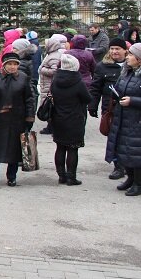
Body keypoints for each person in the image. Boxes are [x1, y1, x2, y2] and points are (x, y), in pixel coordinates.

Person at [0, 52, 36, 188]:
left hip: (17, 120)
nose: (12, 67)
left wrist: (29, 117)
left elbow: (29, 99)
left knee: (14, 151)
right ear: (4, 65)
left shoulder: (23, 78)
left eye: (15, 64)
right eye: (9, 64)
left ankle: (12, 177)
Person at [48, 54, 91, 185]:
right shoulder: (78, 83)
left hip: (58, 118)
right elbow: (88, 99)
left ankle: (61, 176)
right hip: (74, 119)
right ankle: (71, 177)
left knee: (60, 147)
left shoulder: (55, 80)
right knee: (72, 148)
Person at [106, 43, 141, 195]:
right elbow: (121, 88)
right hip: (122, 117)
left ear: (139, 59)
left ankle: (139, 183)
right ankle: (130, 179)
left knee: (136, 152)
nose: (127, 57)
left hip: (137, 120)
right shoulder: (127, 72)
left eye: (131, 55)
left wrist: (132, 101)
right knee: (124, 150)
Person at [91, 39, 128, 179]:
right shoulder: (102, 66)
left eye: (117, 48)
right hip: (110, 109)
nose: (114, 51)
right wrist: (92, 105)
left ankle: (130, 166)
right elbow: (95, 88)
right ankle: (118, 166)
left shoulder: (131, 65)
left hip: (130, 109)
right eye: (112, 48)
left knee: (129, 138)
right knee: (114, 137)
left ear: (125, 50)